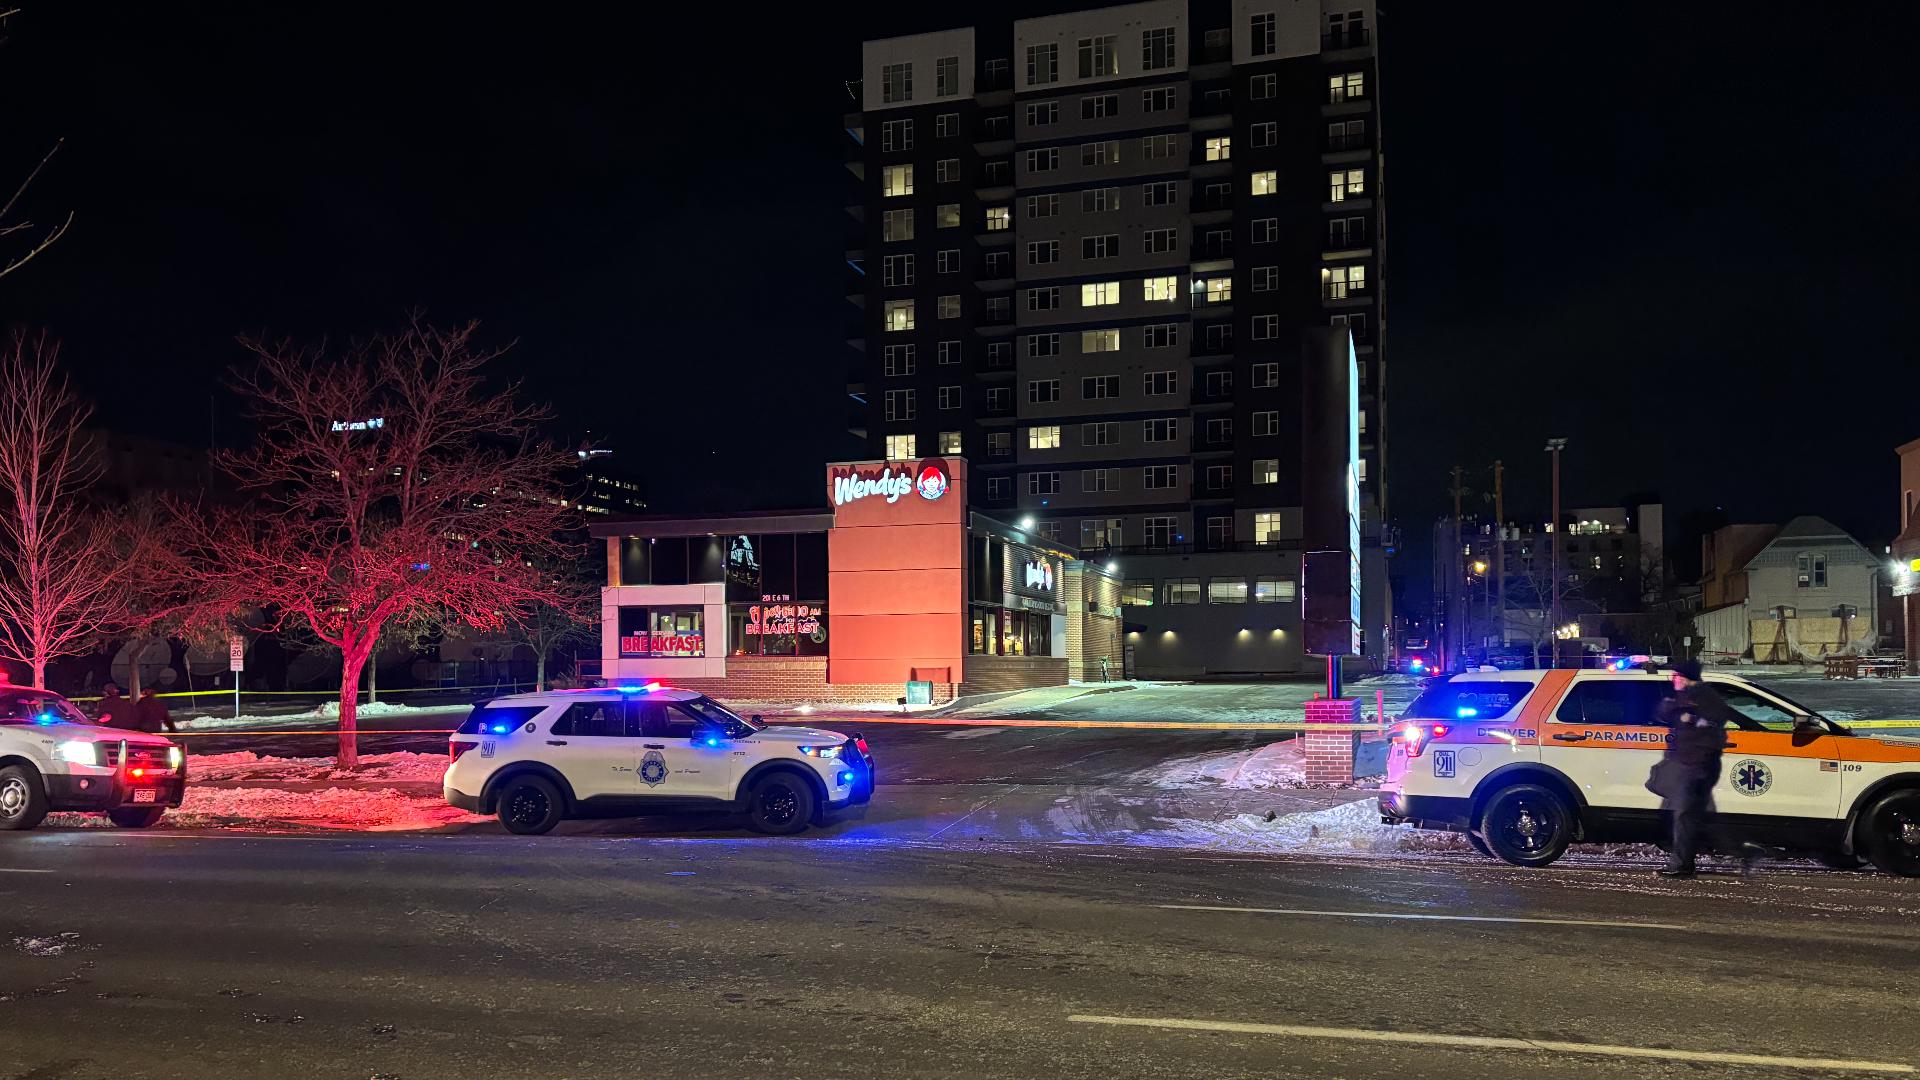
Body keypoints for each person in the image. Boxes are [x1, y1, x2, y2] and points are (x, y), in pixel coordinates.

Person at [1652, 660, 1737, 878]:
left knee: (1686, 816)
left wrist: (1695, 717)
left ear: (1687, 677)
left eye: (1676, 676)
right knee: (1690, 816)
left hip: (1699, 766)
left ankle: (1684, 866)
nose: (1673, 680)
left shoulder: (1704, 696)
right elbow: (1662, 713)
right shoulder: (1683, 697)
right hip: (1690, 765)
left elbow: (1719, 716)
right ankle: (1686, 863)